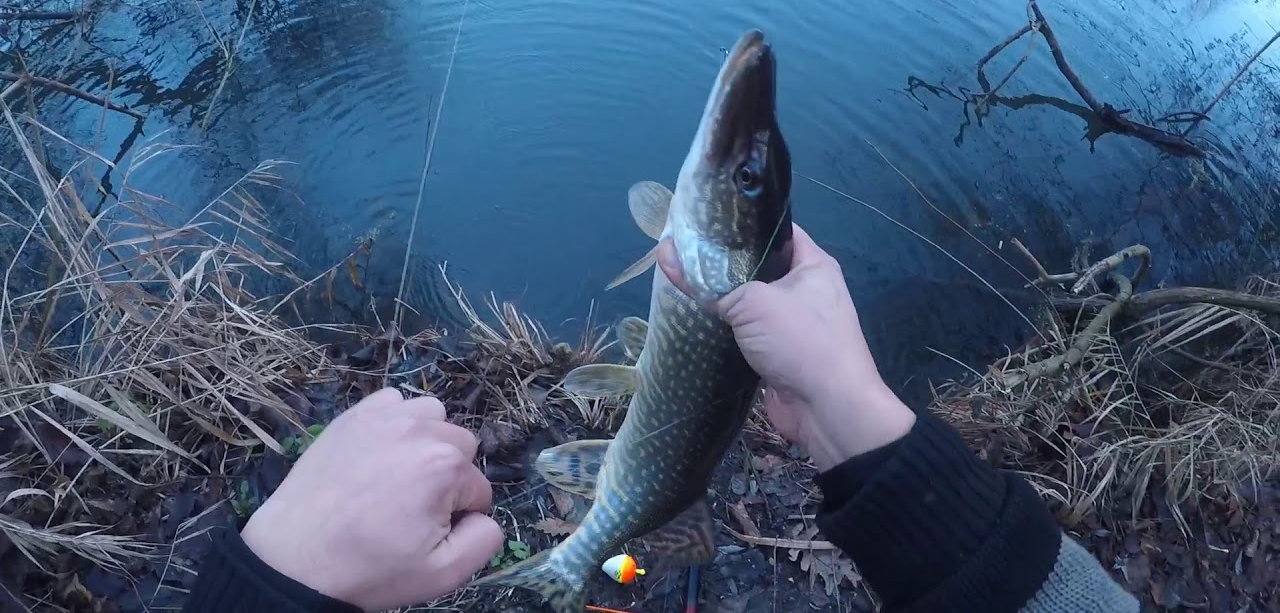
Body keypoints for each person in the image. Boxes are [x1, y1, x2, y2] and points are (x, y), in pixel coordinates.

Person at [183, 224, 1138, 613]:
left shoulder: (703, 256)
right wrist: (860, 419)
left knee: (622, 552)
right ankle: (616, 567)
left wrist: (264, 592)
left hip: (642, 491)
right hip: (657, 483)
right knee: (628, 549)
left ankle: (609, 569)